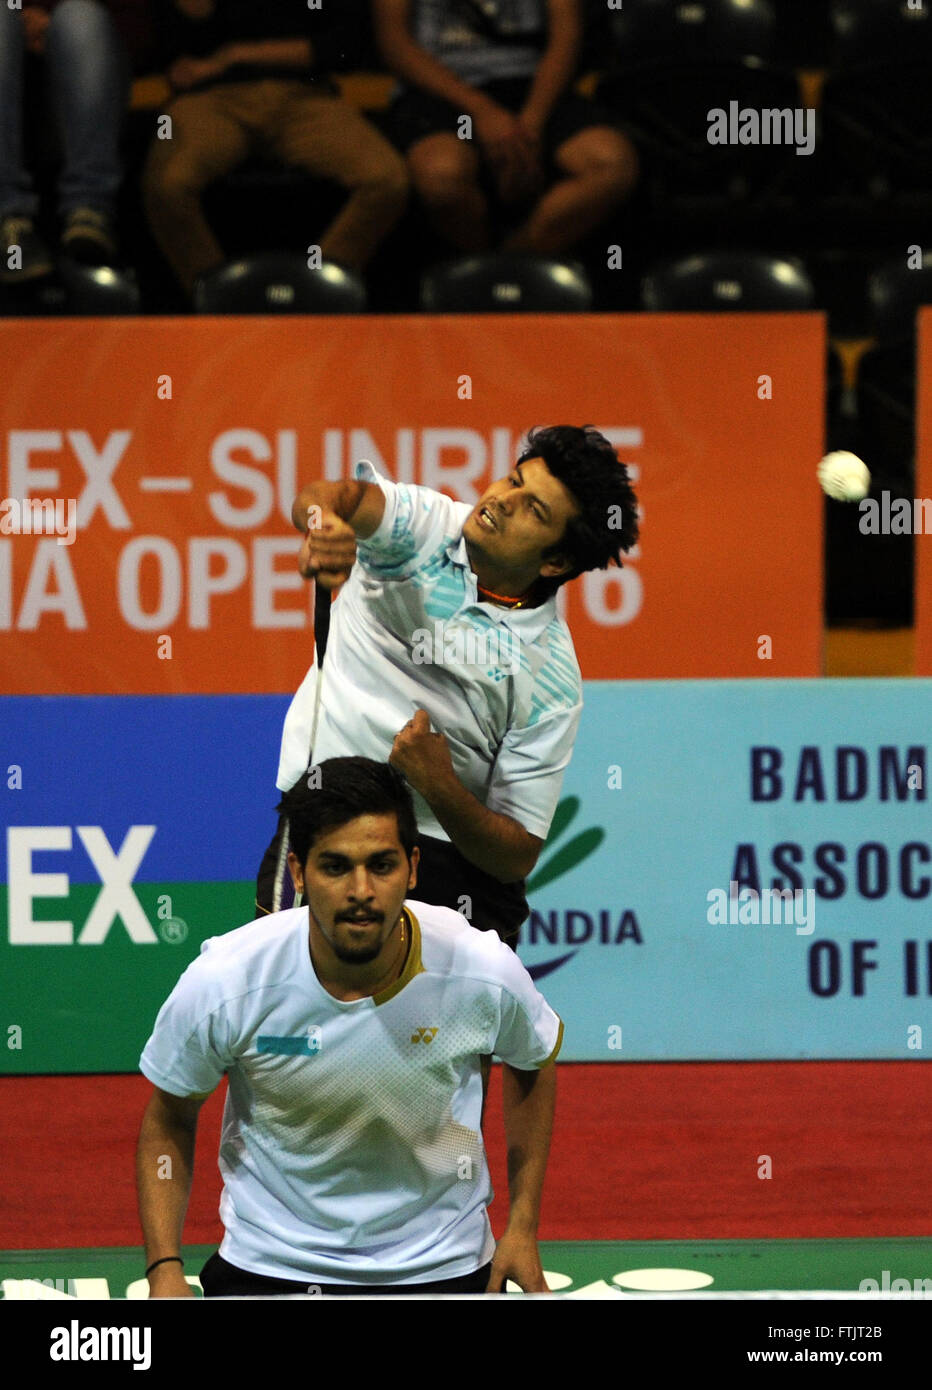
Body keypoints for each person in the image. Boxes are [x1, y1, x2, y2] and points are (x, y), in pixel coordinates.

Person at [138, 757, 561, 1296]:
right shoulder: (230, 978)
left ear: (412, 868)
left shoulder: (478, 968)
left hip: (443, 1267)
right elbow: (169, 1116)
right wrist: (164, 1269)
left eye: (381, 865)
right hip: (271, 1265)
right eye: (335, 867)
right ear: (297, 873)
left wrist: (522, 1225)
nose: (361, 890)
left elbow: (534, 1063)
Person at [258, 424, 639, 947]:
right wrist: (325, 525)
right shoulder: (424, 527)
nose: (503, 501)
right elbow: (333, 497)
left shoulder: (552, 679)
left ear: (555, 562)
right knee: (286, 1008)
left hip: (443, 861)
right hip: (328, 817)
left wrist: (439, 784)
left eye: (534, 509)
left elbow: (515, 853)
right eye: (513, 481)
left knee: (438, 1027)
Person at [142, 0, 409, 301]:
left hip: (306, 95)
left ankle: (317, 293)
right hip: (210, 98)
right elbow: (173, 53)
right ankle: (221, 301)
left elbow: (343, 47)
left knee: (387, 178)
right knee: (168, 184)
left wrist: (235, 56)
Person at [372, 0, 638, 253]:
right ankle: (474, 272)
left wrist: (530, 126)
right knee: (441, 175)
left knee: (611, 164)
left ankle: (511, 267)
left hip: (533, 85)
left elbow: (566, 37)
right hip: (439, 87)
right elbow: (394, 44)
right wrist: (482, 110)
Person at [0, 0, 139, 279]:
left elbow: (141, 22)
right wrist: (18, 24)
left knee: (80, 16)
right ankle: (8, 219)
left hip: (89, 60)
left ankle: (89, 212)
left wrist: (53, 26)